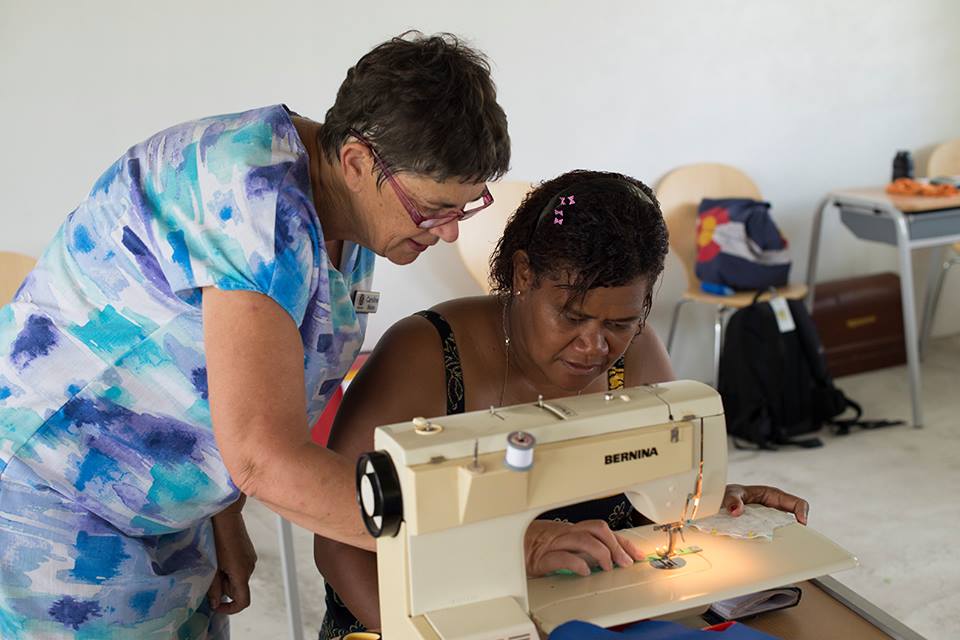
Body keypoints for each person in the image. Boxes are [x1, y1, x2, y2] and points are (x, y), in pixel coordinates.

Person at [0, 32, 510, 639]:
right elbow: (266, 459)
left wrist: (224, 519)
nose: (449, 234)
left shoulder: (356, 212)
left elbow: (245, 389)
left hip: (169, 505)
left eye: (466, 207)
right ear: (357, 163)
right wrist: (478, 538)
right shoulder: (250, 202)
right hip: (53, 502)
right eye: (433, 210)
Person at [313, 170, 810, 638]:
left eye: (619, 324)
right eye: (571, 316)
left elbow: (661, 489)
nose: (595, 346)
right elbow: (338, 545)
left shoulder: (635, 357)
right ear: (524, 273)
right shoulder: (426, 356)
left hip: (580, 613)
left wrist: (713, 501)